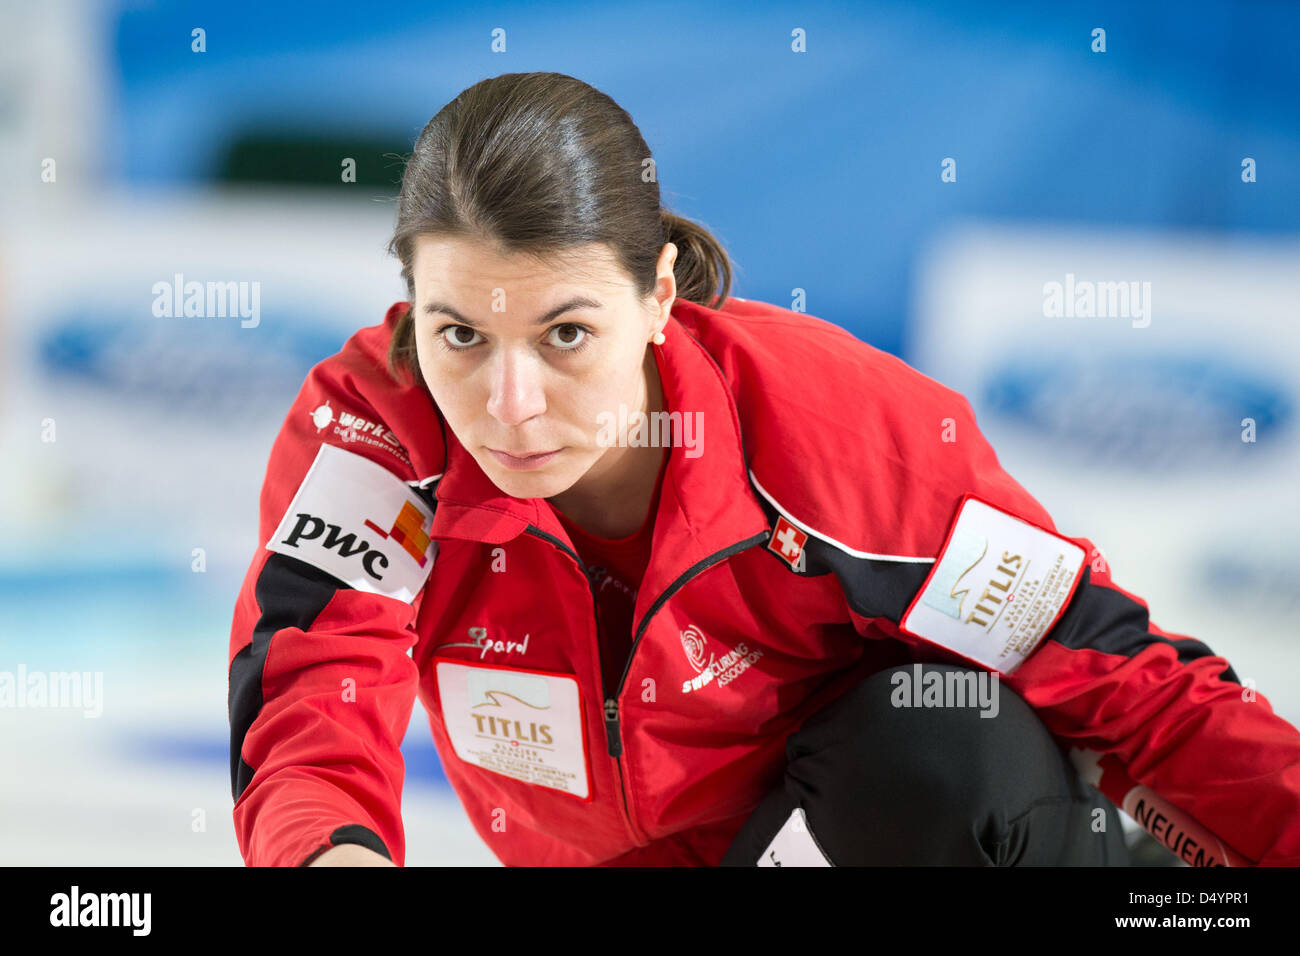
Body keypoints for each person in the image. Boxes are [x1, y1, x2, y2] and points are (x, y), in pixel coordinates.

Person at [227, 72, 1300, 867]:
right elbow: (309, 710)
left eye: (564, 334)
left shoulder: (844, 443)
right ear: (411, 303)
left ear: (657, 298)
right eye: (459, 333)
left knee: (939, 740)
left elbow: (1134, 686)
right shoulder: (373, 430)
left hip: (974, 836)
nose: (508, 406)